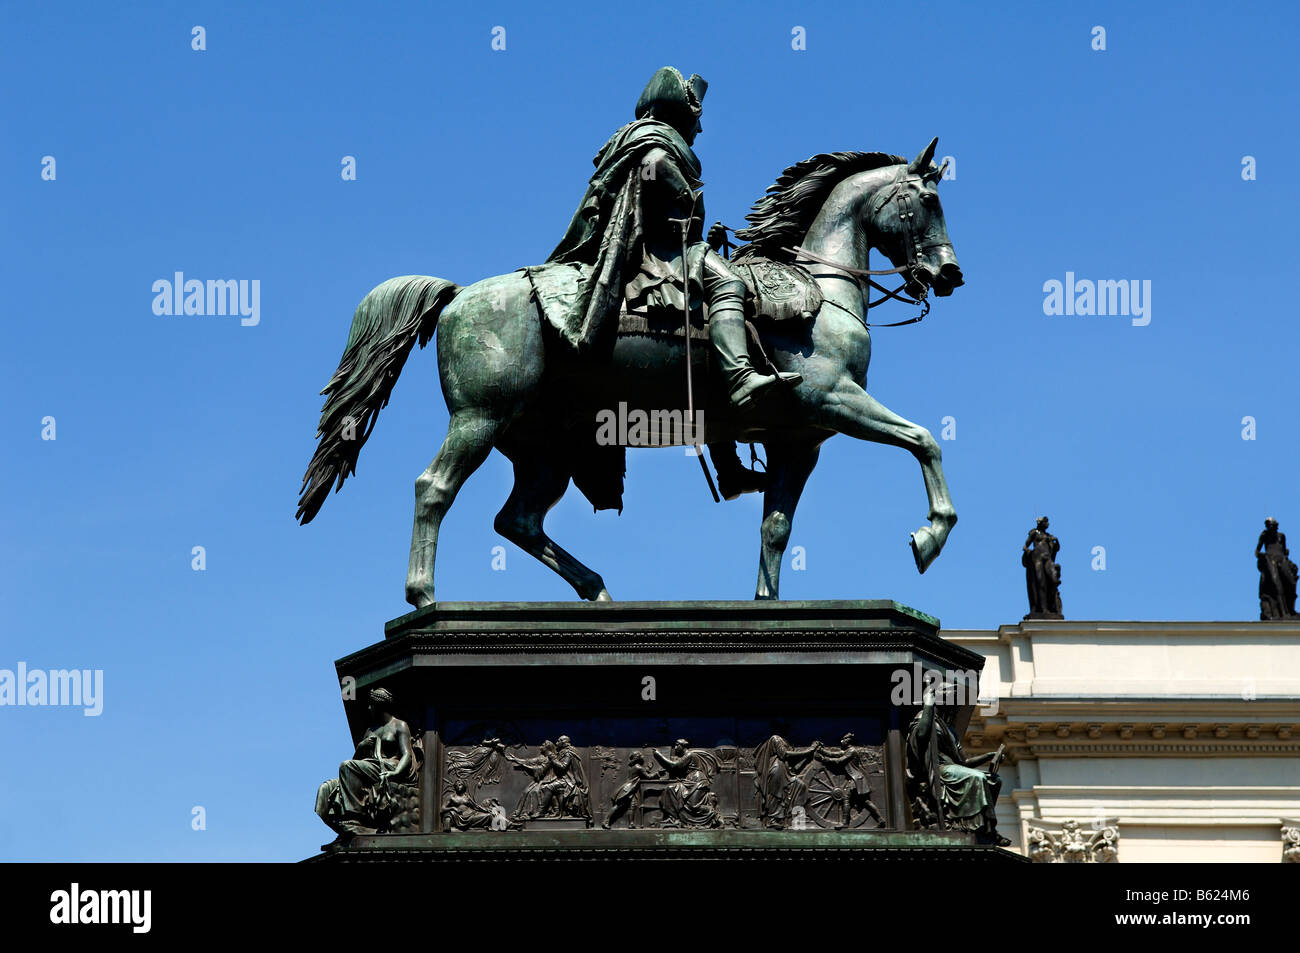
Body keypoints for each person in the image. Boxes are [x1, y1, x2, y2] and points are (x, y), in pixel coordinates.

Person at [548, 66, 801, 498]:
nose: (700, 127)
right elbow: (658, 202)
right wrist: (691, 224)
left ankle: (729, 465)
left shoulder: (641, 144)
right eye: (695, 116)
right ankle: (740, 378)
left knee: (705, 343)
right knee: (730, 285)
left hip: (670, 248)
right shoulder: (657, 149)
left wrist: (702, 232)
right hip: (652, 256)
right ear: (677, 113)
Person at [315, 687, 418, 848]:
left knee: (345, 766)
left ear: (380, 705)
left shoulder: (399, 725)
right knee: (326, 789)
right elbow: (358, 761)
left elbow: (407, 755)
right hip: (368, 768)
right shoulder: (370, 730)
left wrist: (395, 773)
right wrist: (362, 746)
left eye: (371, 705)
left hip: (388, 766)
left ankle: (354, 819)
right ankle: (345, 831)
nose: (369, 708)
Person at [1256, 517, 1299, 620]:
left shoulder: (1281, 536)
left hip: (1282, 559)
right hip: (1270, 560)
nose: (1270, 526)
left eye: (1271, 524)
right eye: (1268, 525)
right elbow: (1257, 552)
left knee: (1291, 582)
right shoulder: (1264, 535)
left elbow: (1284, 551)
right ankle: (1284, 613)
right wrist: (1264, 556)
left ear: (1275, 525)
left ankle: (1290, 610)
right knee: (1277, 585)